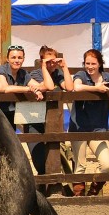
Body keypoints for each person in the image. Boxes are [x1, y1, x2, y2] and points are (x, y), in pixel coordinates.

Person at [70, 48, 109, 196]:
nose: (90, 66)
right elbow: (76, 86)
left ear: (100, 64)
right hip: (79, 128)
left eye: (93, 63)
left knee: (106, 164)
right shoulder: (81, 75)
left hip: (98, 128)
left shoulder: (108, 76)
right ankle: (78, 197)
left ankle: (94, 190)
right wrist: (97, 88)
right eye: (87, 63)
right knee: (80, 166)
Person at [29, 46, 74, 175]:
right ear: (41, 61)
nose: (52, 64)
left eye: (54, 61)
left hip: (54, 119)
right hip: (37, 118)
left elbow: (69, 88)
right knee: (39, 157)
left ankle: (56, 187)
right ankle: (43, 184)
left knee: (58, 154)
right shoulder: (35, 74)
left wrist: (64, 67)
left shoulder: (58, 73)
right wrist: (44, 67)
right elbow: (48, 86)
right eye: (48, 61)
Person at [0, 43, 45, 129]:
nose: (17, 60)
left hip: (15, 112)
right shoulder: (1, 70)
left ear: (23, 59)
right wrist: (29, 89)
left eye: (20, 58)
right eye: (13, 57)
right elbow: (5, 88)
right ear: (7, 59)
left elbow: (41, 86)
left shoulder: (23, 73)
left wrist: (37, 89)